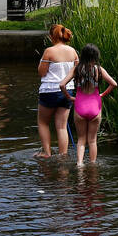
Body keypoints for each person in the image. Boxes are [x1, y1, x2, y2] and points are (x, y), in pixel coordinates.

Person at [57, 44, 116, 166]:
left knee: (81, 140)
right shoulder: (99, 69)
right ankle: (93, 165)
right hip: (95, 106)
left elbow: (62, 84)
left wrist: (69, 97)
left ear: (82, 56)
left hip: (80, 106)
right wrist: (102, 94)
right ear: (95, 56)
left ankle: (79, 164)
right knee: (93, 140)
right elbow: (114, 84)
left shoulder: (76, 69)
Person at [36, 24, 78, 158]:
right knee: (61, 126)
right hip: (67, 91)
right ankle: (63, 155)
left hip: (49, 91)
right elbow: (77, 71)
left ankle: (46, 153)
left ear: (51, 37)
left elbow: (42, 73)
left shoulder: (49, 51)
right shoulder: (73, 51)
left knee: (43, 123)